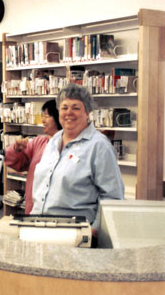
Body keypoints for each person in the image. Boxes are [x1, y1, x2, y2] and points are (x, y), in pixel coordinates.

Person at [31, 83, 124, 237]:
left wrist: (94, 230)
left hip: (74, 235)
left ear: (87, 113)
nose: (69, 113)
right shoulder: (54, 141)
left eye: (76, 108)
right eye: (64, 107)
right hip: (39, 228)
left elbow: (113, 197)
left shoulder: (99, 146)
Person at [4, 99, 62, 214]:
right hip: (34, 204)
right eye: (43, 116)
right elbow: (17, 163)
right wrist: (17, 148)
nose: (43, 121)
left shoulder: (68, 146)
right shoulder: (39, 142)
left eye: (47, 116)